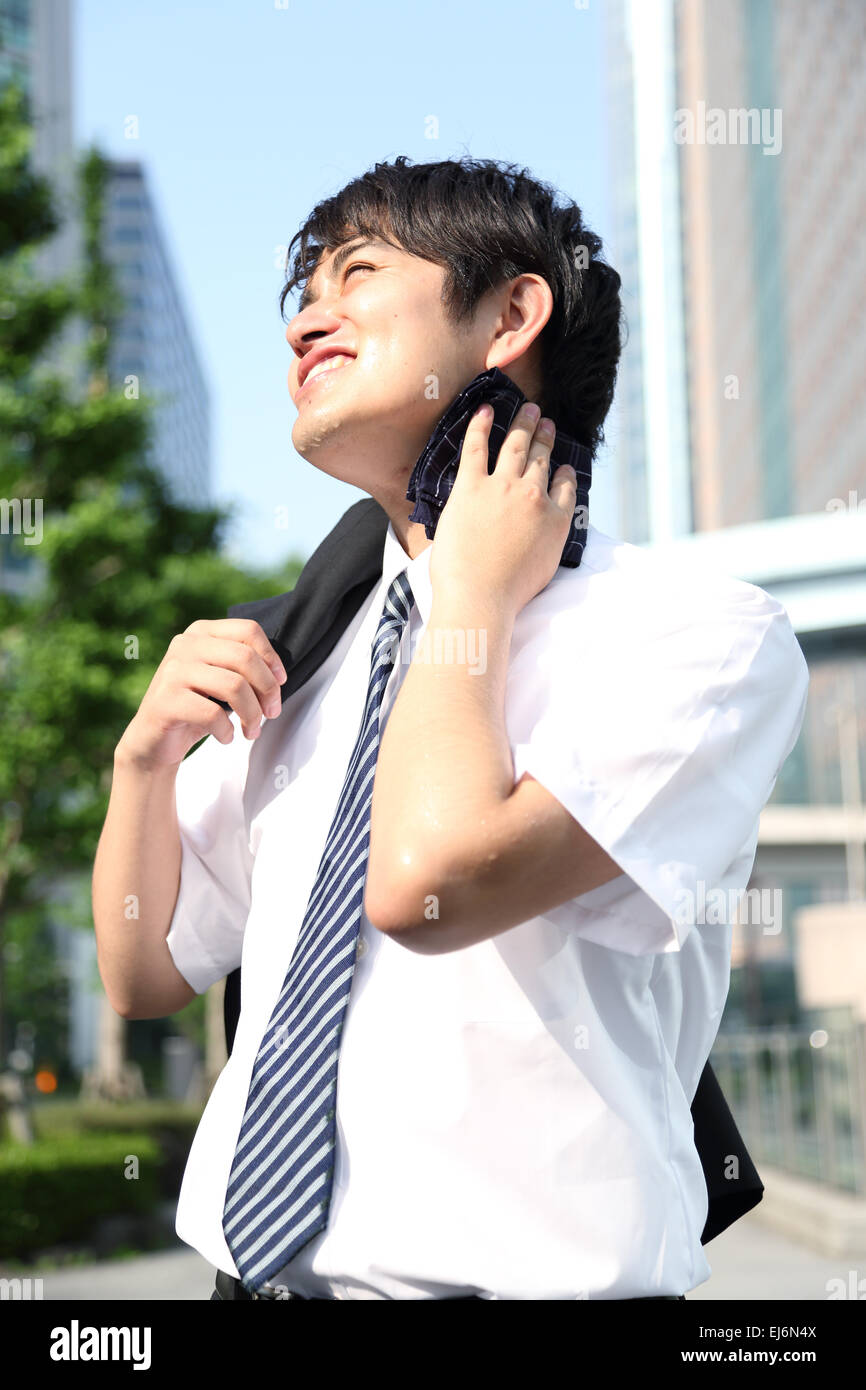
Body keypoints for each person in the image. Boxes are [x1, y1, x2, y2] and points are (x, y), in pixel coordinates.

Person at [92, 156, 809, 1300]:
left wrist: (466, 595)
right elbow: (144, 971)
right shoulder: (310, 648)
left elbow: (426, 888)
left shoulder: (695, 637)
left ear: (511, 314)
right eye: (301, 291)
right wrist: (143, 759)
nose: (301, 324)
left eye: (356, 271)